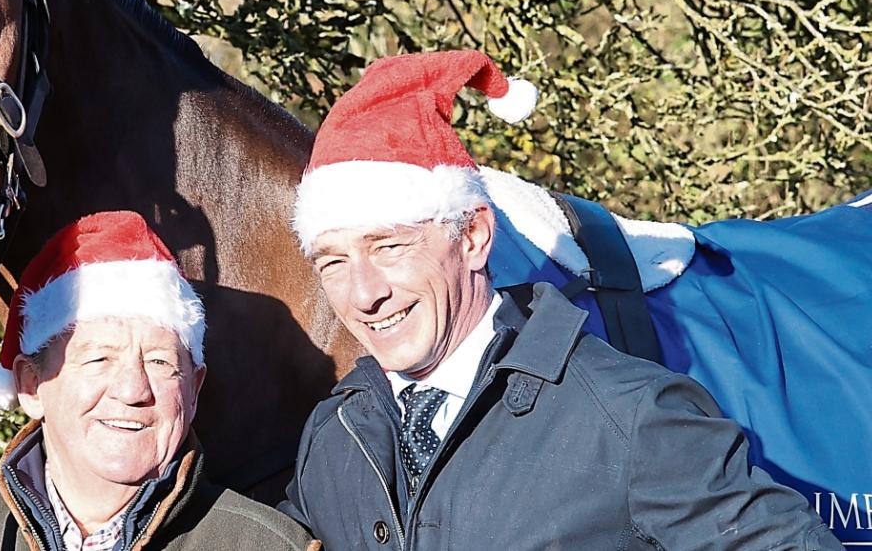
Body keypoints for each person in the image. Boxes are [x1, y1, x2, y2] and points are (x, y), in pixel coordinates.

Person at [278, 50, 842, 550]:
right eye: (333, 261)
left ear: (473, 237)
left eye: (390, 247)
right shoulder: (336, 432)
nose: (363, 294)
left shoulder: (632, 415)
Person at [0, 211, 318, 551]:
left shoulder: (267, 544)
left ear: (193, 389)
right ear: (29, 385)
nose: (133, 390)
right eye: (99, 358)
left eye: (159, 361)